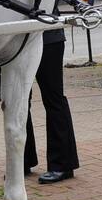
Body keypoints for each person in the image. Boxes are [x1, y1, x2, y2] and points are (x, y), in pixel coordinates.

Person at [21, 28, 82, 183]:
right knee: (19, 101)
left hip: (47, 37)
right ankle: (22, 159)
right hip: (18, 42)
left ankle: (63, 164)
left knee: (53, 98)